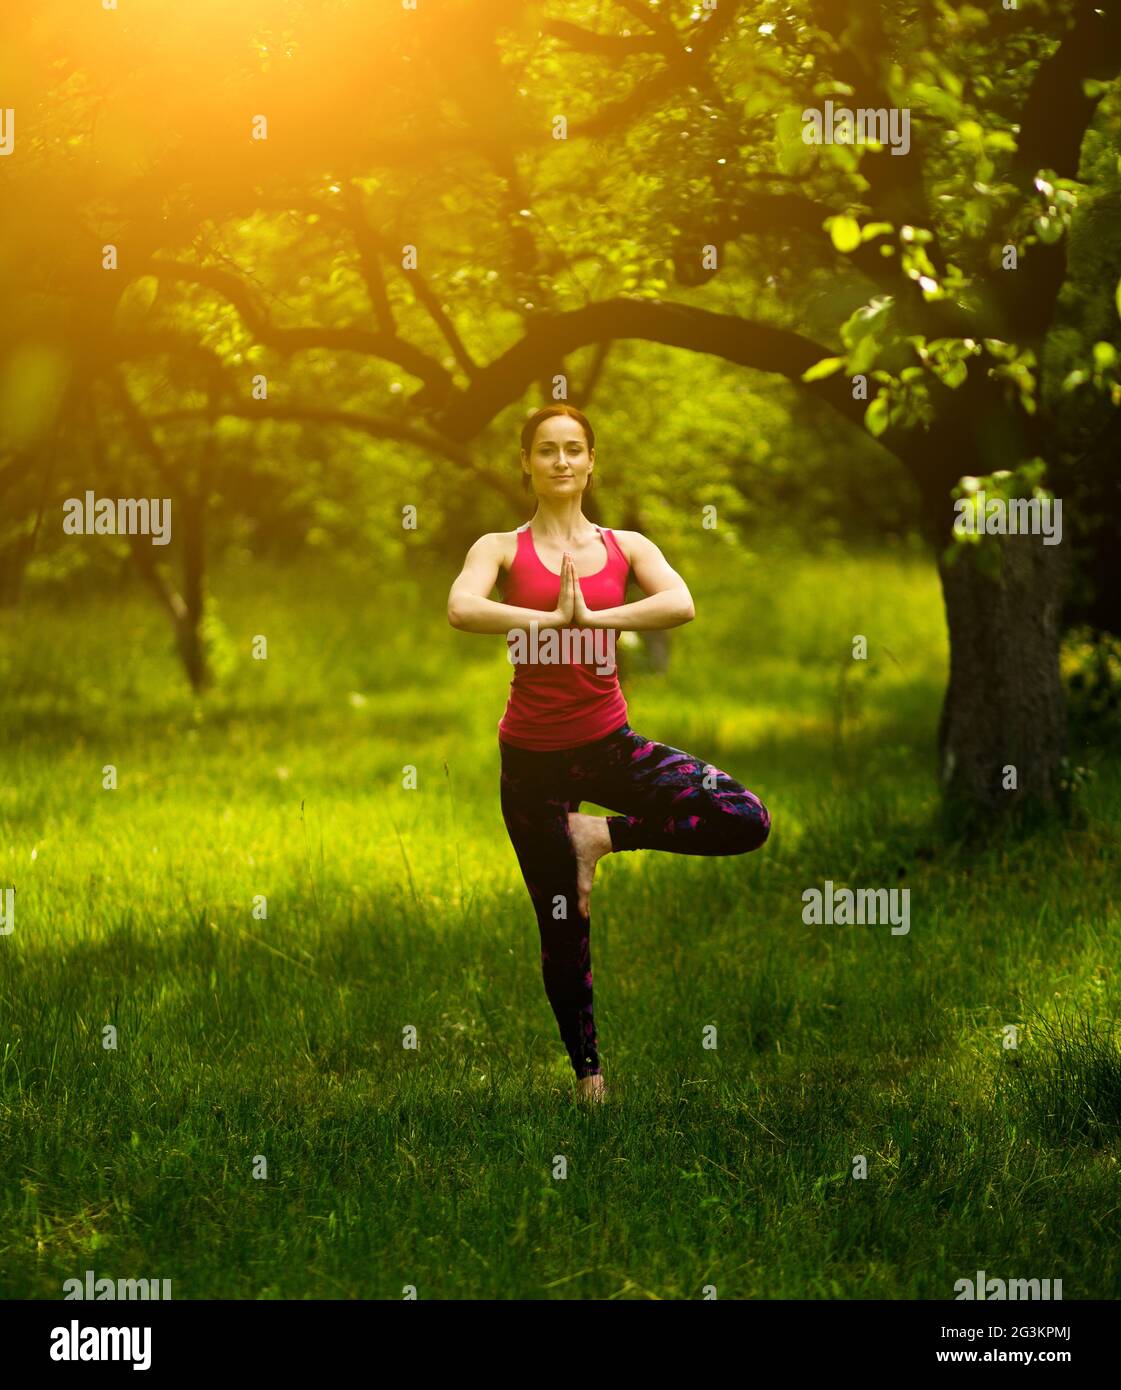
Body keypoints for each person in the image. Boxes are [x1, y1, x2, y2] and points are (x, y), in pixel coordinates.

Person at [447, 405, 770, 1103]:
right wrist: (546, 619)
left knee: (744, 817)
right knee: (561, 921)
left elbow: (679, 602)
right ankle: (589, 1079)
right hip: (531, 763)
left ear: (591, 462)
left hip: (608, 748)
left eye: (573, 449)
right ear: (524, 464)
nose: (560, 461)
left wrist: (594, 618)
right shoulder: (499, 547)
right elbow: (461, 608)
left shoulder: (625, 547)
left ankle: (600, 835)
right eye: (546, 450)